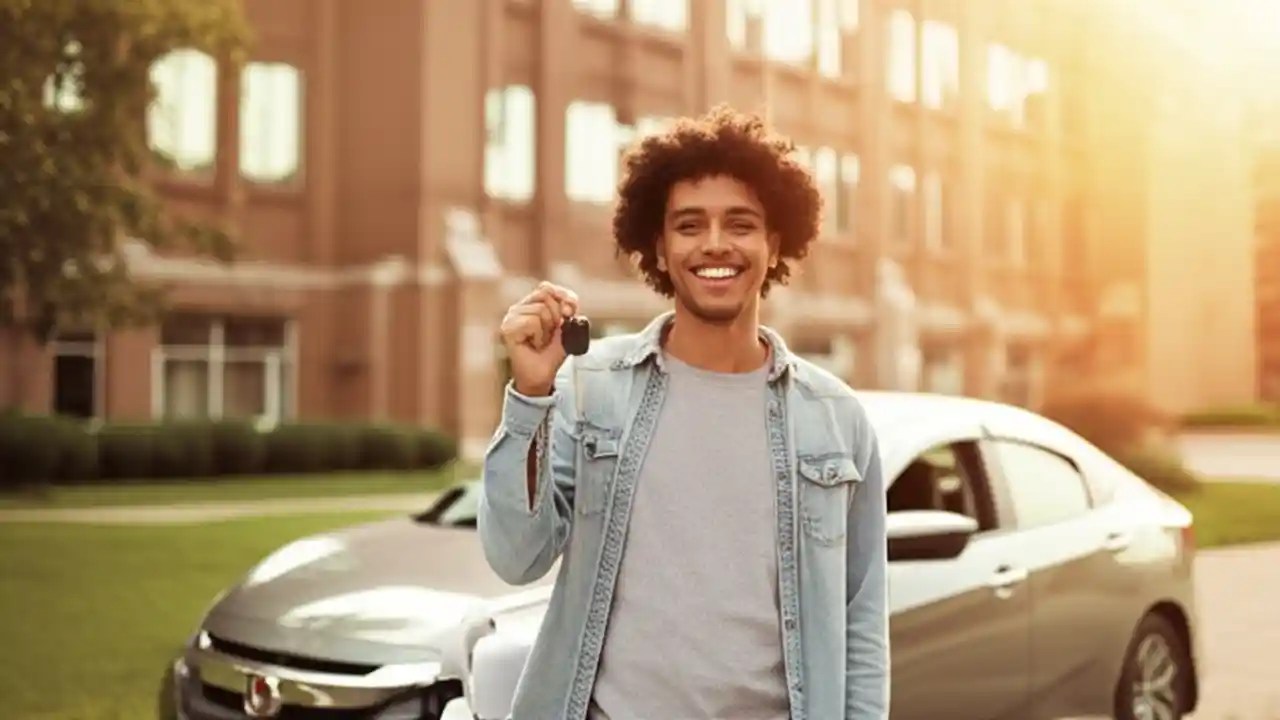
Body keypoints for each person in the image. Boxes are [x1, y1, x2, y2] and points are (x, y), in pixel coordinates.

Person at [478, 104, 889, 720]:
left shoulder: (836, 419)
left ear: (775, 244)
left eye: (741, 224)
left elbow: (862, 623)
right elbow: (516, 558)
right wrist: (531, 396)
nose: (716, 244)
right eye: (690, 225)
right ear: (660, 248)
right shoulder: (592, 389)